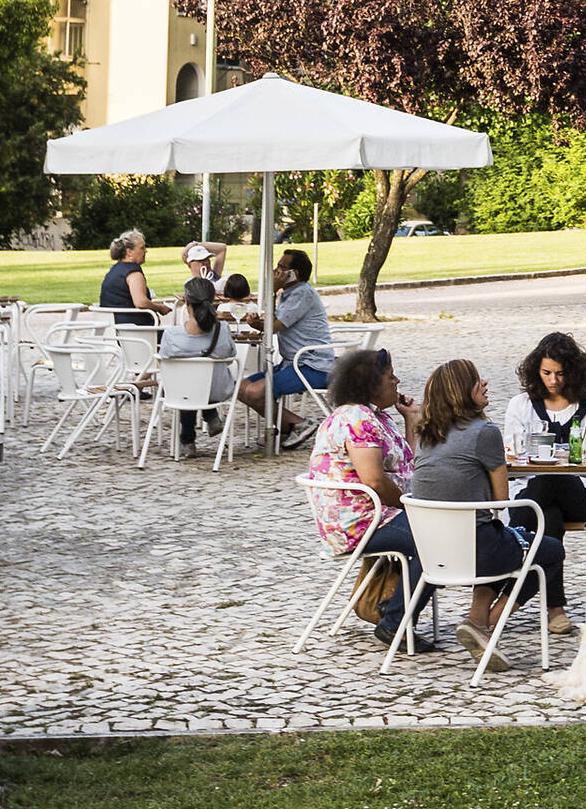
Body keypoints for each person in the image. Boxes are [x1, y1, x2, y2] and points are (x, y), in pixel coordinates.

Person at [410, 359, 572, 662]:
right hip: (476, 551)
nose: (485, 383)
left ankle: (476, 617)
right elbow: (501, 501)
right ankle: (488, 624)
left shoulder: (424, 434)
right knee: (548, 551)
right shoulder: (484, 431)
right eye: (477, 380)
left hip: (433, 553)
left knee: (502, 538)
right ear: (462, 392)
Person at [305, 347, 435, 653]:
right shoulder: (356, 419)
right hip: (359, 522)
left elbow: (407, 469)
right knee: (437, 540)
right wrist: (410, 505)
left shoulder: (375, 416)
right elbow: (374, 481)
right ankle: (395, 619)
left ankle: (395, 611)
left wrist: (412, 419)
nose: (397, 382)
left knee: (437, 530)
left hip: (375, 515)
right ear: (370, 386)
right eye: (390, 378)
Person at [502, 333, 586, 540]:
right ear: (536, 371)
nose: (553, 380)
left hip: (577, 495)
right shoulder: (521, 404)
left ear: (573, 373)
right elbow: (513, 451)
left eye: (560, 373)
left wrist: (550, 461)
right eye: (547, 373)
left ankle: (510, 537)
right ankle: (545, 572)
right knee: (549, 517)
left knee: (549, 479)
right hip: (530, 492)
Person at [235, 247, 334, 450]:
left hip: (311, 365)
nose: (276, 271)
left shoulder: (302, 294)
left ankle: (300, 423)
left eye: (282, 267)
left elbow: (275, 326)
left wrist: (272, 291)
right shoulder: (289, 293)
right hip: (291, 363)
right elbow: (272, 325)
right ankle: (289, 427)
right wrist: (258, 325)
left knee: (255, 392)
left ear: (294, 273)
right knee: (241, 388)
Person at [159, 277, 235, 456]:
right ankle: (211, 415)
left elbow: (164, 360)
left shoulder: (172, 336)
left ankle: (187, 440)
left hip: (182, 393)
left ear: (186, 303)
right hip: (217, 390)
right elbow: (231, 355)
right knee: (195, 381)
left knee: (186, 384)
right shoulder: (222, 329)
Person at [98, 229, 169, 325]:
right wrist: (160, 308)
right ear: (129, 252)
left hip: (112, 328)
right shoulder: (133, 272)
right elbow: (140, 302)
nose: (146, 251)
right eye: (142, 248)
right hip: (134, 330)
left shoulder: (114, 270)